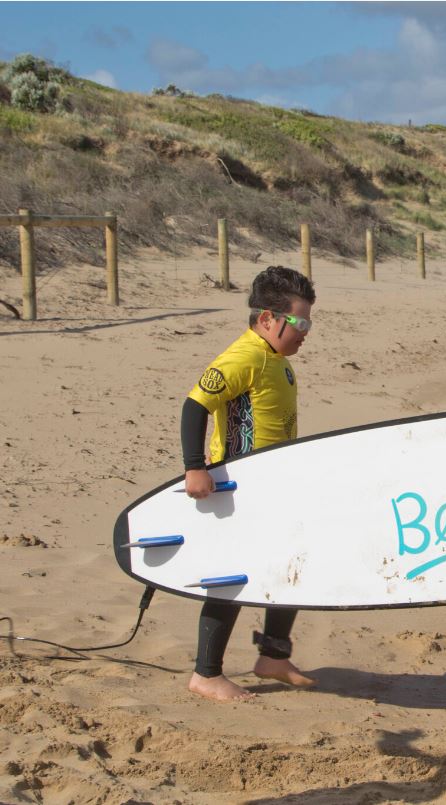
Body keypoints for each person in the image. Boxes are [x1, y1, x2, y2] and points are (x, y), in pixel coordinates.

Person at [181, 265, 318, 702]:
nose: (306, 333)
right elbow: (195, 405)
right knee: (233, 577)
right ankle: (206, 674)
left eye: (309, 324)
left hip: (275, 484)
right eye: (300, 323)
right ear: (267, 319)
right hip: (241, 488)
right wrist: (195, 467)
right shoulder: (245, 356)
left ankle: (273, 656)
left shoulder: (275, 359)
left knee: (293, 562)